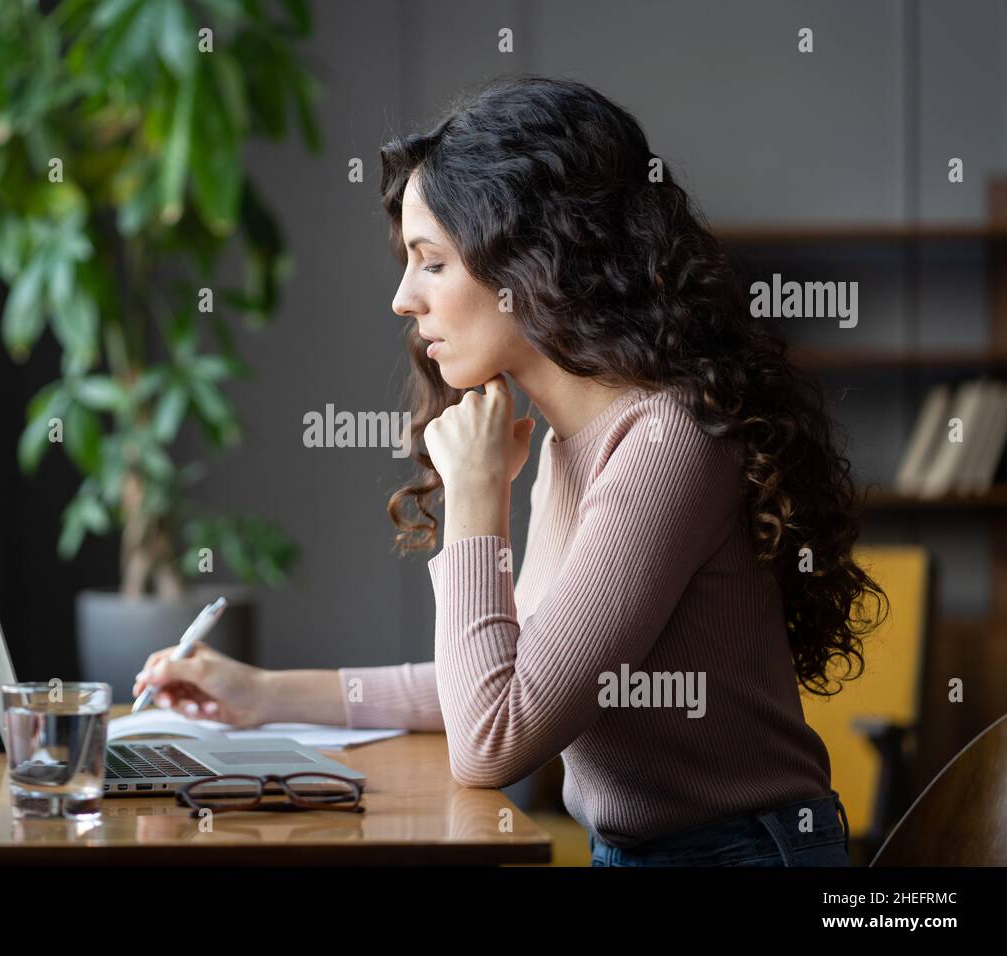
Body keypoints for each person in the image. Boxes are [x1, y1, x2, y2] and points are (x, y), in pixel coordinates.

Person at [133, 75, 888, 867]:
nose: (401, 298)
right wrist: (261, 694)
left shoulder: (669, 445)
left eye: (431, 263)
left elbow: (493, 739)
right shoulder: (576, 439)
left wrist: (475, 493)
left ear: (530, 263)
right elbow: (500, 680)